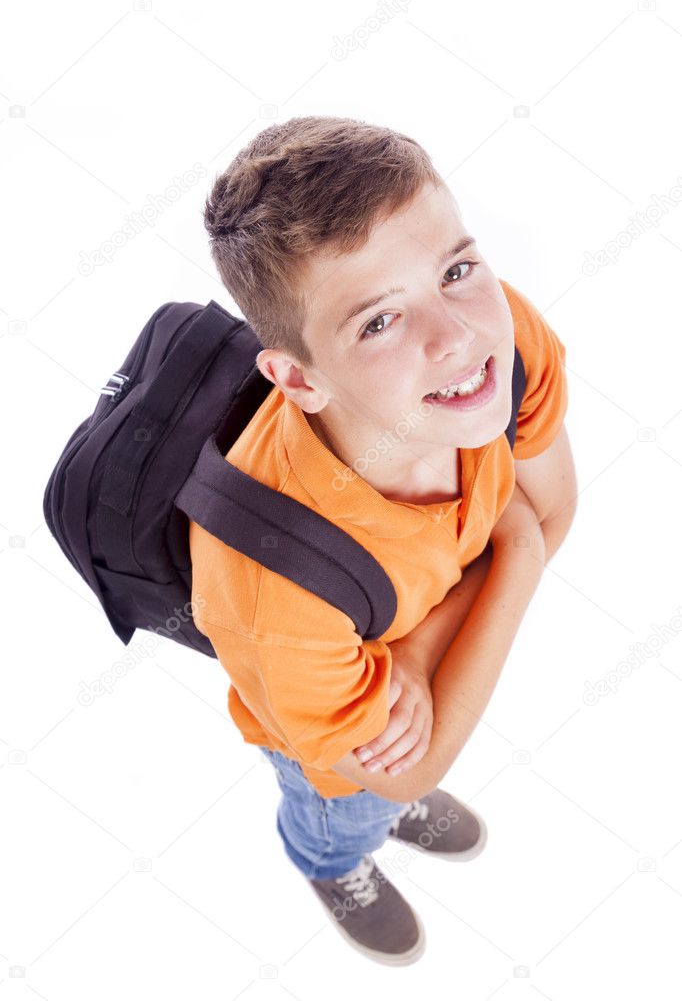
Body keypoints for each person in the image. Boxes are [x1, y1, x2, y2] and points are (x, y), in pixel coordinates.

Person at [189, 115, 577, 965]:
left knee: (407, 749)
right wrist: (513, 547)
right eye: (377, 322)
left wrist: (420, 654)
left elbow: (553, 514)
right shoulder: (273, 592)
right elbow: (393, 766)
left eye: (456, 269)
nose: (456, 338)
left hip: (389, 682)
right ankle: (330, 861)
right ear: (298, 378)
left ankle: (376, 820)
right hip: (325, 746)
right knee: (348, 806)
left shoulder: (501, 343)